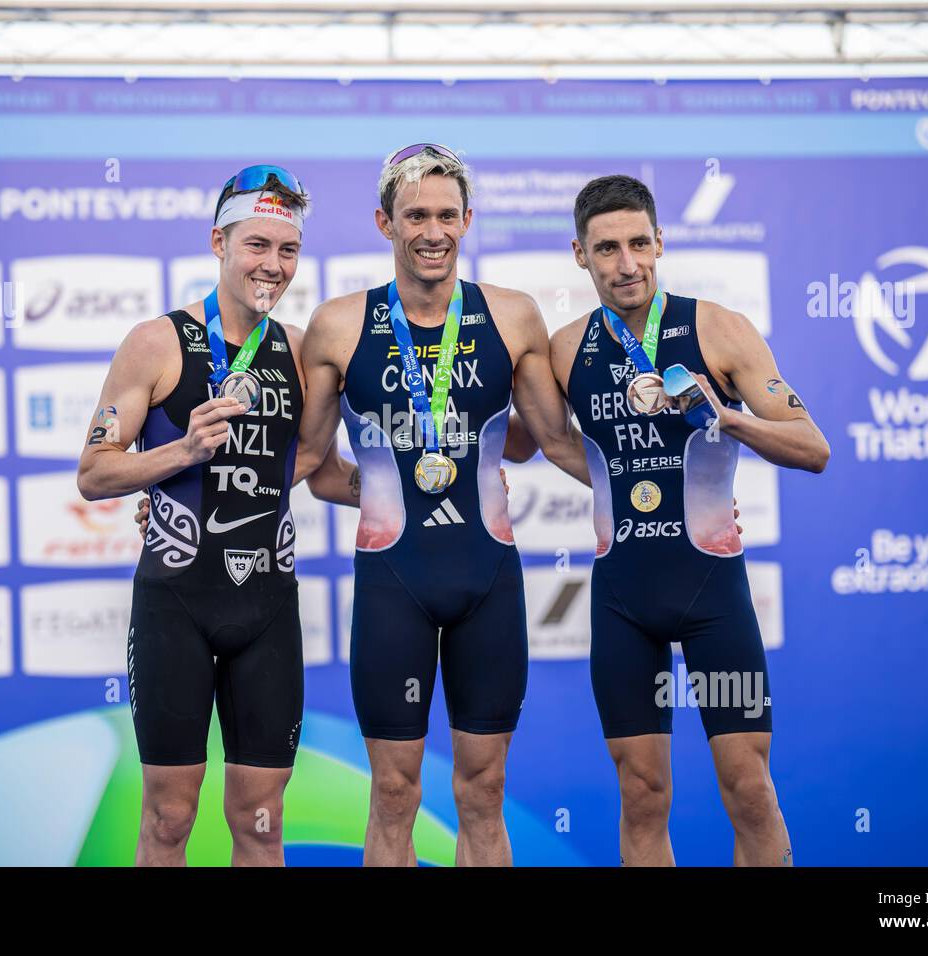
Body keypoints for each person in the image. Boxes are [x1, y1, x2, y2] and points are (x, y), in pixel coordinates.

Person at [289, 144, 589, 866]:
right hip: (395, 582)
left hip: (487, 580)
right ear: (384, 223)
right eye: (415, 215)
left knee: (483, 789)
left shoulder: (513, 317)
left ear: (468, 220)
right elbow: (308, 464)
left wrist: (664, 491)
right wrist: (187, 503)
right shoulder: (338, 325)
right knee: (393, 793)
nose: (432, 230)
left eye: (446, 215)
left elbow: (552, 440)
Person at [540, 173, 830, 866]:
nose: (627, 263)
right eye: (606, 248)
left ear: (660, 242)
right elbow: (553, 440)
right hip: (623, 606)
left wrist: (725, 417)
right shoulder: (565, 347)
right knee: (642, 794)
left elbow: (813, 448)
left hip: (713, 600)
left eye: (639, 243)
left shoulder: (718, 328)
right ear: (580, 255)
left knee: (748, 787)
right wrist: (626, 482)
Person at [76, 164, 356, 867]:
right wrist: (179, 454)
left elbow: (316, 469)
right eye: (257, 245)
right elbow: (94, 470)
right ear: (219, 243)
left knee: (262, 823)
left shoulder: (300, 350)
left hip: (266, 604)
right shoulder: (157, 342)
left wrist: (423, 488)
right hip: (176, 602)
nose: (273, 265)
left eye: (287, 250)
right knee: (169, 819)